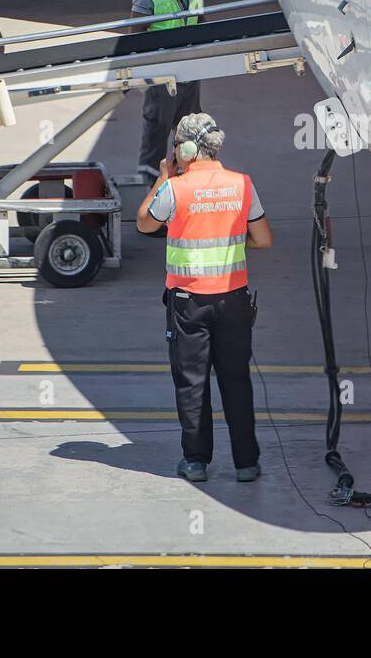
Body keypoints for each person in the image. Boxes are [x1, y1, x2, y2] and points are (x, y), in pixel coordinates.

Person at [135, 113, 274, 483]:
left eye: (177, 145)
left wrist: (163, 178)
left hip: (188, 303)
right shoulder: (242, 184)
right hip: (234, 300)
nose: (175, 152)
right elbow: (262, 239)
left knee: (192, 382)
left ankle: (196, 461)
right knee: (236, 380)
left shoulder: (177, 189)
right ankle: (247, 463)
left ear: (190, 148)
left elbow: (144, 222)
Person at [132, 0, 205, 185]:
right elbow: (136, 38)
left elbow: (201, 19)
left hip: (190, 70)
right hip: (163, 73)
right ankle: (149, 183)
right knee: (158, 128)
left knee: (191, 128)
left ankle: (189, 179)